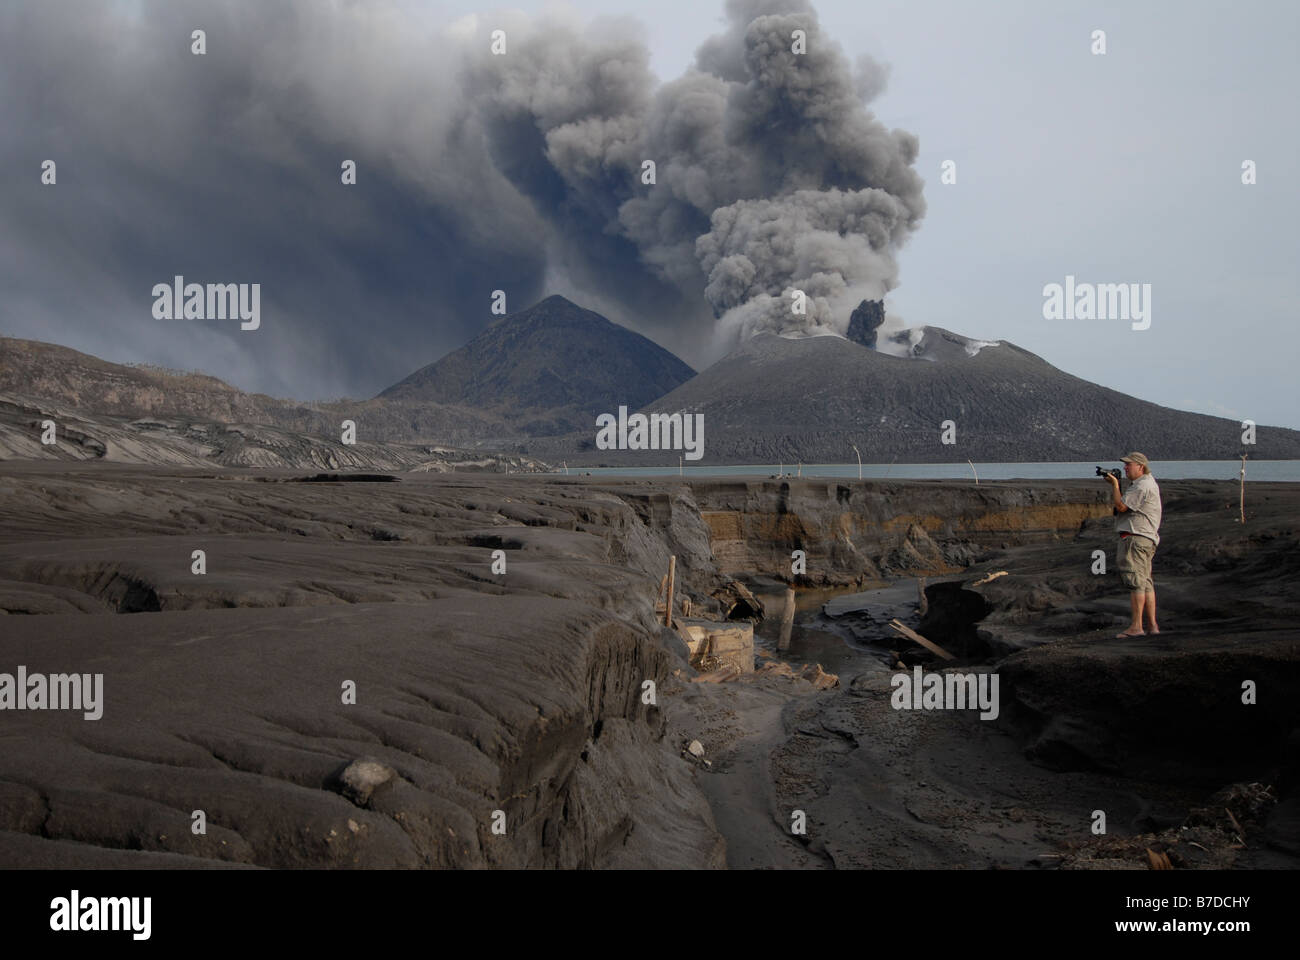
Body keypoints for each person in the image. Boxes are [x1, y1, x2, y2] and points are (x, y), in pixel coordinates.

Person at [1105, 452, 1162, 637]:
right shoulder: (1147, 483)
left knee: (1136, 581)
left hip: (1136, 538)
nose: (1125, 468)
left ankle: (1137, 627)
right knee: (1146, 582)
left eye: (1129, 465)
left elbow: (1121, 507)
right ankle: (1152, 626)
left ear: (1141, 466)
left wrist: (1115, 485)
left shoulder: (1142, 486)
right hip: (1146, 538)